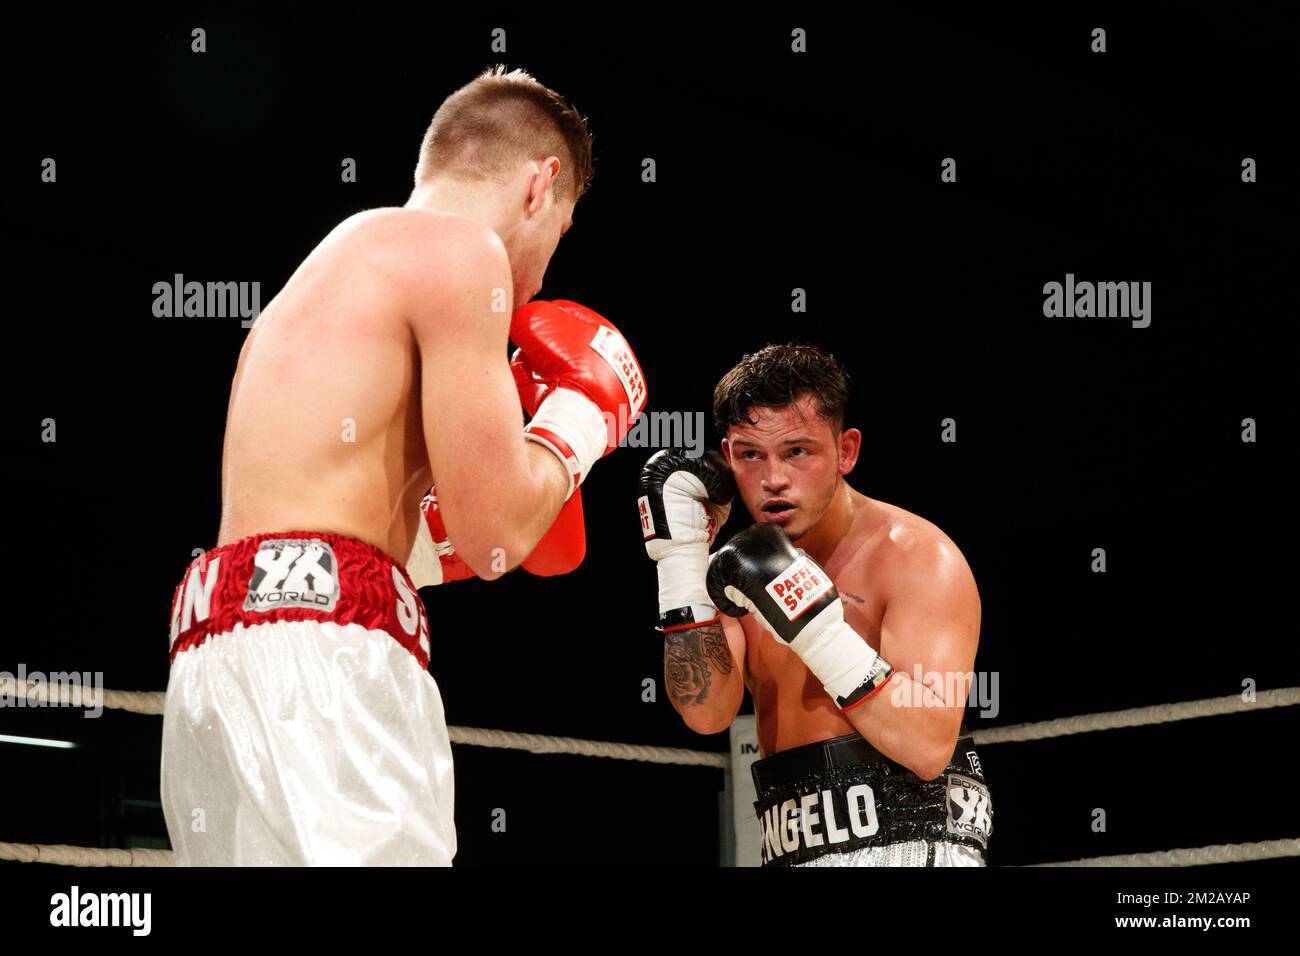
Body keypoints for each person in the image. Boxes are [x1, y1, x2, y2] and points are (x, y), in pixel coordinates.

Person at [162, 65, 646, 865]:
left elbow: (319, 536)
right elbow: (498, 535)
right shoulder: (462, 255)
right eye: (557, 236)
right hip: (327, 664)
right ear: (540, 184)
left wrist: (436, 540)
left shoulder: (330, 269)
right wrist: (582, 417)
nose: (541, 279)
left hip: (219, 654)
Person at [638, 343, 991, 866]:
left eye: (797, 451)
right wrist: (681, 561)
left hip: (911, 845)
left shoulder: (917, 557)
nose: (773, 478)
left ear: (846, 451)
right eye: (750, 454)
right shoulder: (740, 569)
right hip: (789, 848)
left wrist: (818, 632)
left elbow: (927, 746)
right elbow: (705, 713)